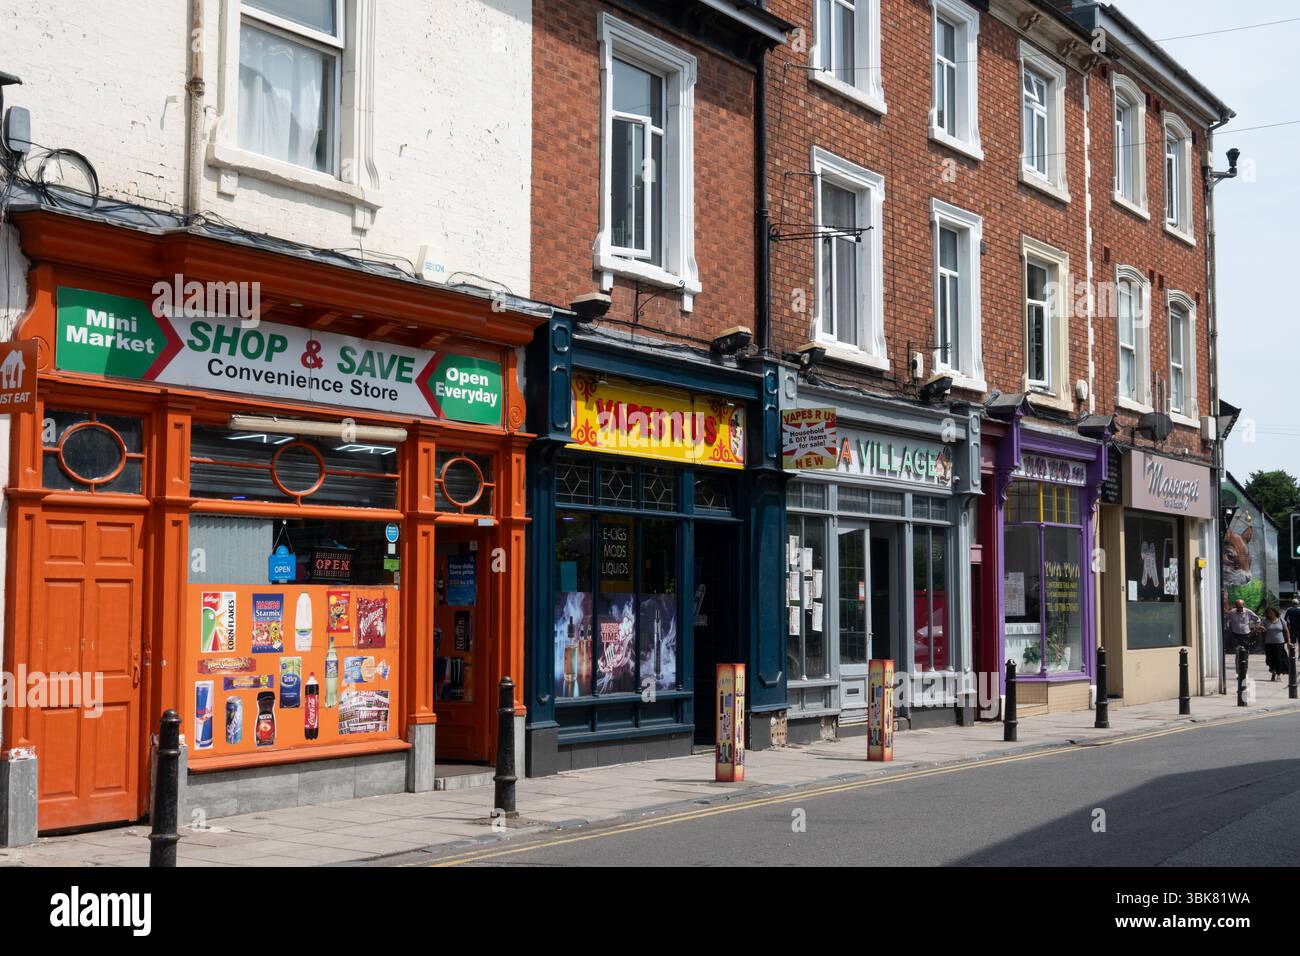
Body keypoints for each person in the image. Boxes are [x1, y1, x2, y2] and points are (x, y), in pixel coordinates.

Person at [1262, 606, 1290, 681]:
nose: (1269, 614)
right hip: (1268, 643)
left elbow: (1286, 630)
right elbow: (1260, 628)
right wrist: (1261, 628)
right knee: (1270, 659)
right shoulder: (1265, 621)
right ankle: (1273, 671)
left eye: (1271, 613)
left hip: (1279, 643)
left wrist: (1288, 642)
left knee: (1278, 659)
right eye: (1268, 613)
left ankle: (1278, 674)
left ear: (1274, 612)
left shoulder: (1281, 620)